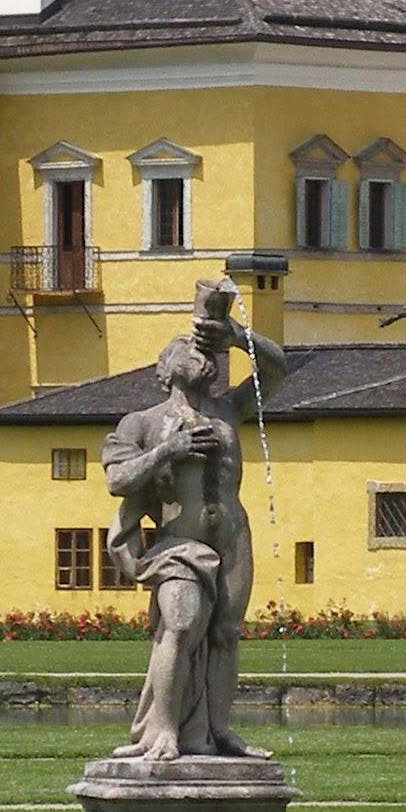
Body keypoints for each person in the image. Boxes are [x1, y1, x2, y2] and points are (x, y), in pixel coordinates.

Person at [100, 281, 286, 765]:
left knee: (225, 632)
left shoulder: (229, 410)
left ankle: (218, 730)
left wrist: (236, 333)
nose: (198, 349)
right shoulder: (141, 423)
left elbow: (278, 368)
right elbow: (117, 480)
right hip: (177, 545)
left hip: (231, 536)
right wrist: (168, 450)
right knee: (180, 624)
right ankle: (161, 730)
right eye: (185, 346)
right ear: (164, 371)